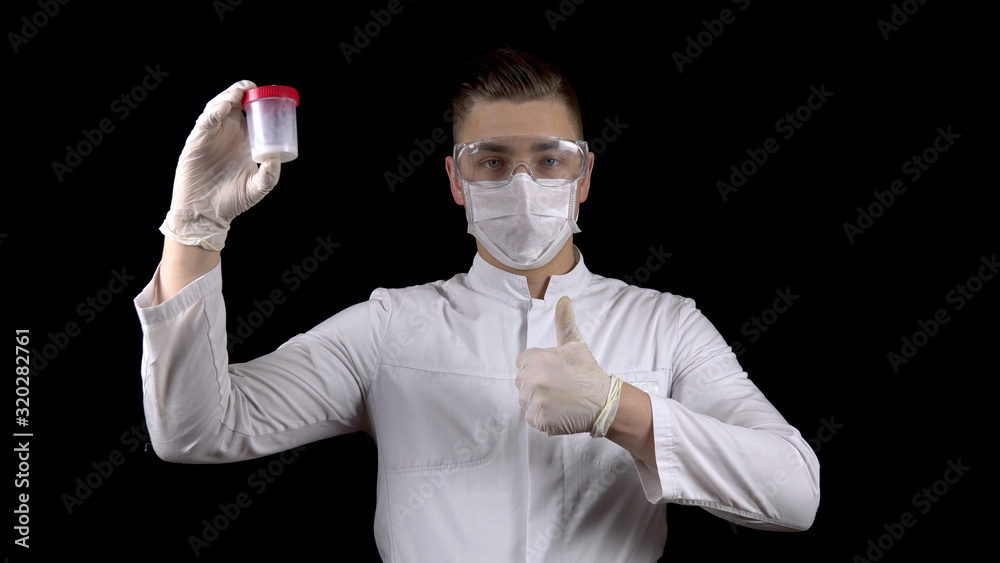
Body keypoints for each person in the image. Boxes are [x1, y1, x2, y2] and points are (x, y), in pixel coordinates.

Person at [134, 48, 820, 561]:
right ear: (456, 179)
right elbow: (196, 429)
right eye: (492, 161)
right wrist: (193, 228)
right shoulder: (387, 329)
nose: (523, 183)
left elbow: (794, 492)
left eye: (549, 161)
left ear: (584, 174)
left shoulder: (666, 325)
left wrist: (620, 409)